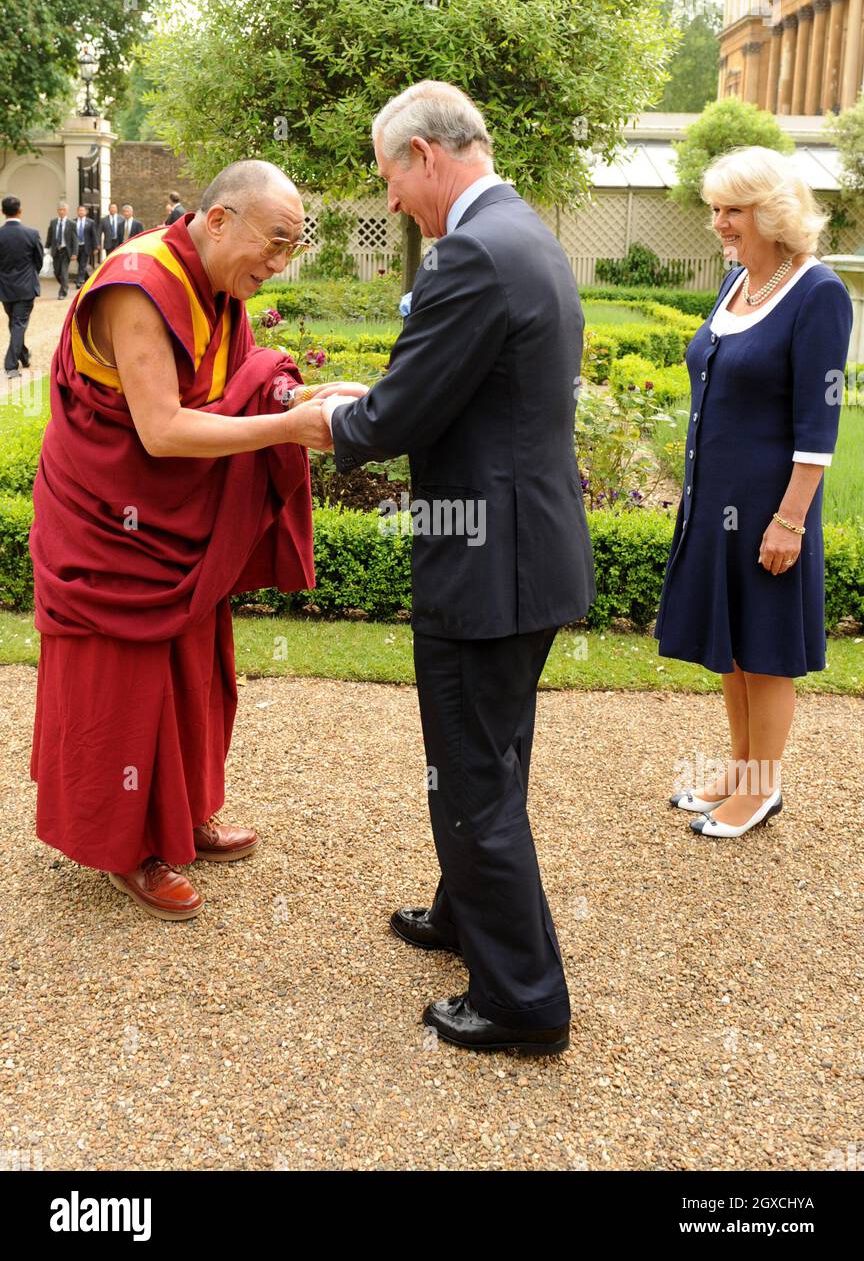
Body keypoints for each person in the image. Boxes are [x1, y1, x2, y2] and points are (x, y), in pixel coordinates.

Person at [321, 81, 595, 1055]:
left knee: (474, 779)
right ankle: (464, 913)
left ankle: (523, 1001)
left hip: (490, 568)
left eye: (390, 174)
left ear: (426, 157)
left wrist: (327, 416)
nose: (390, 199)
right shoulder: (525, 231)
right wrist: (386, 393)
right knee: (489, 760)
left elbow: (395, 419)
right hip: (527, 552)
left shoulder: (473, 250)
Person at [29, 159, 363, 920]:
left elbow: (229, 386)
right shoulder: (138, 285)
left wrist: (308, 397)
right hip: (111, 526)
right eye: (274, 244)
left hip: (172, 527)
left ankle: (183, 814)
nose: (278, 266)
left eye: (291, 250)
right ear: (218, 221)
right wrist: (287, 425)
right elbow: (163, 427)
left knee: (194, 669)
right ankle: (130, 847)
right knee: (124, 684)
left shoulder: (214, 286)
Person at [658, 146, 853, 838]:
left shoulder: (819, 291)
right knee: (733, 641)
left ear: (771, 211)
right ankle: (742, 771)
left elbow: (818, 420)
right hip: (715, 503)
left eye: (732, 209)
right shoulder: (737, 283)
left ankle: (761, 789)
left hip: (773, 508)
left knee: (765, 647)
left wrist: (791, 521)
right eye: (715, 209)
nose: (719, 223)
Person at [0, 195, 43, 377]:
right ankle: (11, 366)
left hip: (5, 288)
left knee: (15, 323)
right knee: (18, 324)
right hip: (26, 287)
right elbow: (39, 262)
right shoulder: (32, 234)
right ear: (21, 210)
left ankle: (23, 356)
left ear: (2, 212)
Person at [46, 203, 74, 298]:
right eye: (60, 210)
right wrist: (46, 248)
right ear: (57, 211)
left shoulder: (71, 223)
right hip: (56, 250)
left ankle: (62, 293)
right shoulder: (53, 222)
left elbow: (75, 239)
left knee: (63, 271)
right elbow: (50, 236)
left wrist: (75, 253)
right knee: (57, 272)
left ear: (67, 211)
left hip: (66, 251)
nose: (62, 211)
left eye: (64, 210)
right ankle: (65, 284)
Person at [73, 204, 98, 288]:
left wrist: (95, 247)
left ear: (86, 212)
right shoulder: (73, 222)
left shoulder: (90, 222)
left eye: (82, 210)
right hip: (76, 247)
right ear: (77, 212)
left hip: (86, 246)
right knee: (80, 263)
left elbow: (94, 235)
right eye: (79, 210)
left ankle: (79, 281)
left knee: (82, 264)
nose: (81, 212)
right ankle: (87, 278)